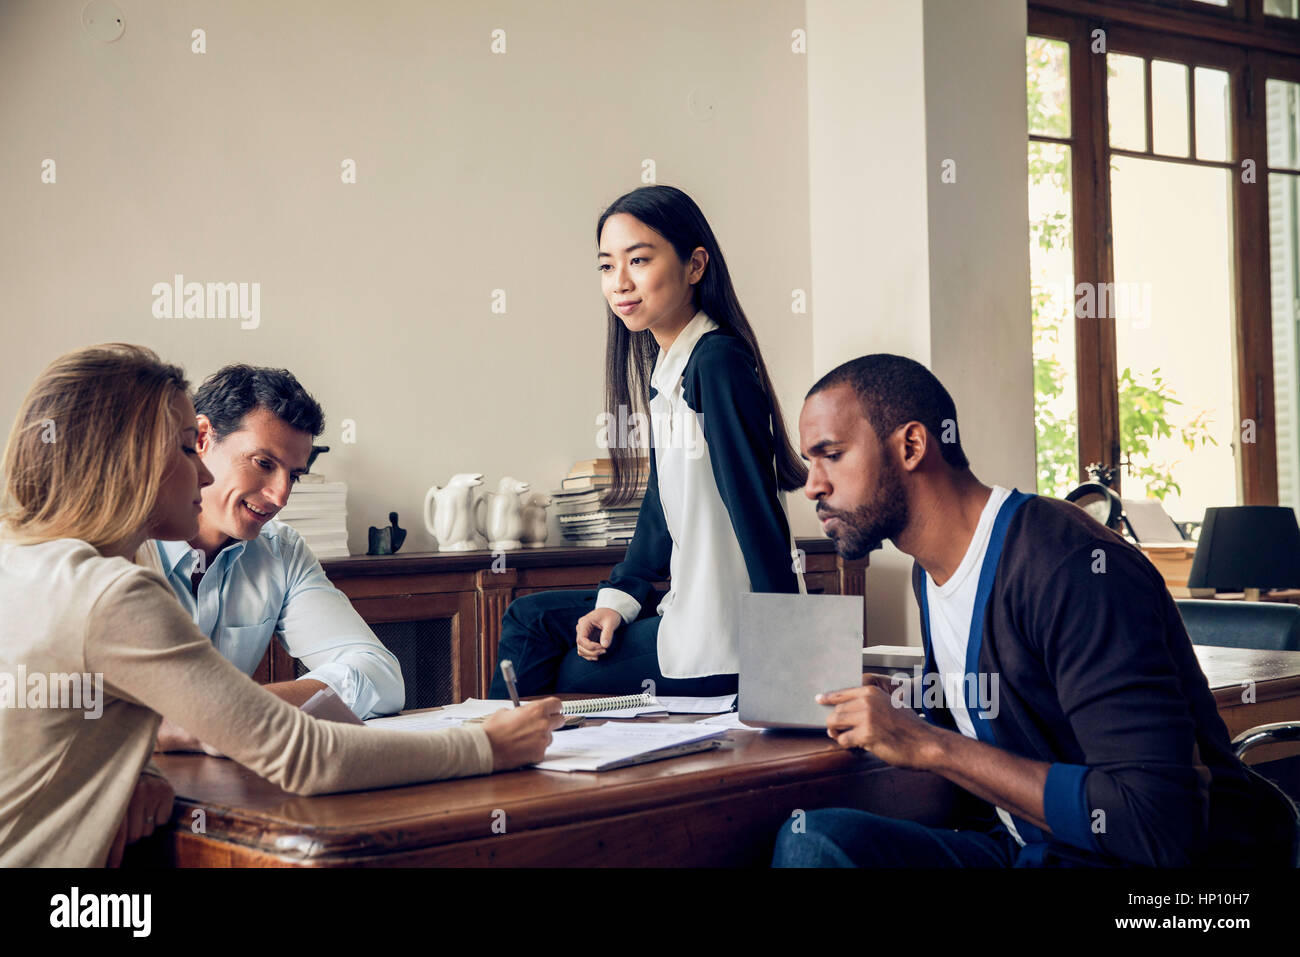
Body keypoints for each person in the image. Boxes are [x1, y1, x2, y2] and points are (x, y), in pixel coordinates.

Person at [0, 344, 561, 867]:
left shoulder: (26, 564)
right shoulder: (111, 592)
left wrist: (148, 758)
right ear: (129, 459)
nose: (198, 469)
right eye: (182, 447)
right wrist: (486, 745)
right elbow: (306, 755)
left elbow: (54, 730)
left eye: (294, 473)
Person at [772, 353, 1292, 867]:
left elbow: (1157, 821)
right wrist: (912, 706)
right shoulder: (930, 571)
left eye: (831, 454)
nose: (813, 484)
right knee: (816, 844)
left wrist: (927, 743)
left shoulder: (1073, 567)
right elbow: (1015, 715)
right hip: (1031, 849)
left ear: (911, 445)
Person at [489, 185, 806, 698]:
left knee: (550, 659)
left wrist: (790, 654)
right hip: (693, 613)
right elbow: (659, 512)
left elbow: (755, 509)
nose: (620, 283)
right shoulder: (670, 369)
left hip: (722, 641)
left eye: (638, 260)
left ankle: (496, 758)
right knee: (531, 617)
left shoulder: (715, 362)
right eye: (607, 266)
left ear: (695, 265)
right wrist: (617, 602)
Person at [139, 366, 401, 752]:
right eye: (263, 463)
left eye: (293, 476)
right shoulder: (121, 544)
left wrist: (236, 709)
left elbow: (381, 676)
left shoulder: (282, 551)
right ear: (201, 438)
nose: (280, 496)